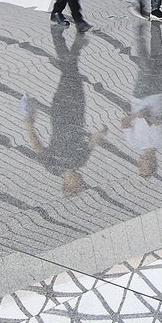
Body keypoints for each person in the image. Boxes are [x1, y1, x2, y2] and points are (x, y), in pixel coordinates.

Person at [21, 25, 104, 196]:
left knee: (70, 72)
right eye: (81, 182)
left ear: (67, 184)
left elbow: (37, 147)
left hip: (59, 114)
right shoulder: (80, 162)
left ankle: (61, 35)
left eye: (78, 184)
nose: (81, 180)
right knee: (71, 72)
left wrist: (29, 126)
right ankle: (72, 42)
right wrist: (100, 134)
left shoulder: (52, 166)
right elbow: (90, 143)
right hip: (78, 112)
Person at [120, 21, 162, 177]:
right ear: (153, 163)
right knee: (158, 59)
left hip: (140, 97)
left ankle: (139, 34)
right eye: (144, 165)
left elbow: (124, 122)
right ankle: (155, 26)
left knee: (145, 66)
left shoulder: (134, 142)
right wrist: (160, 119)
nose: (141, 162)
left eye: (140, 165)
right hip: (159, 94)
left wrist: (137, 115)